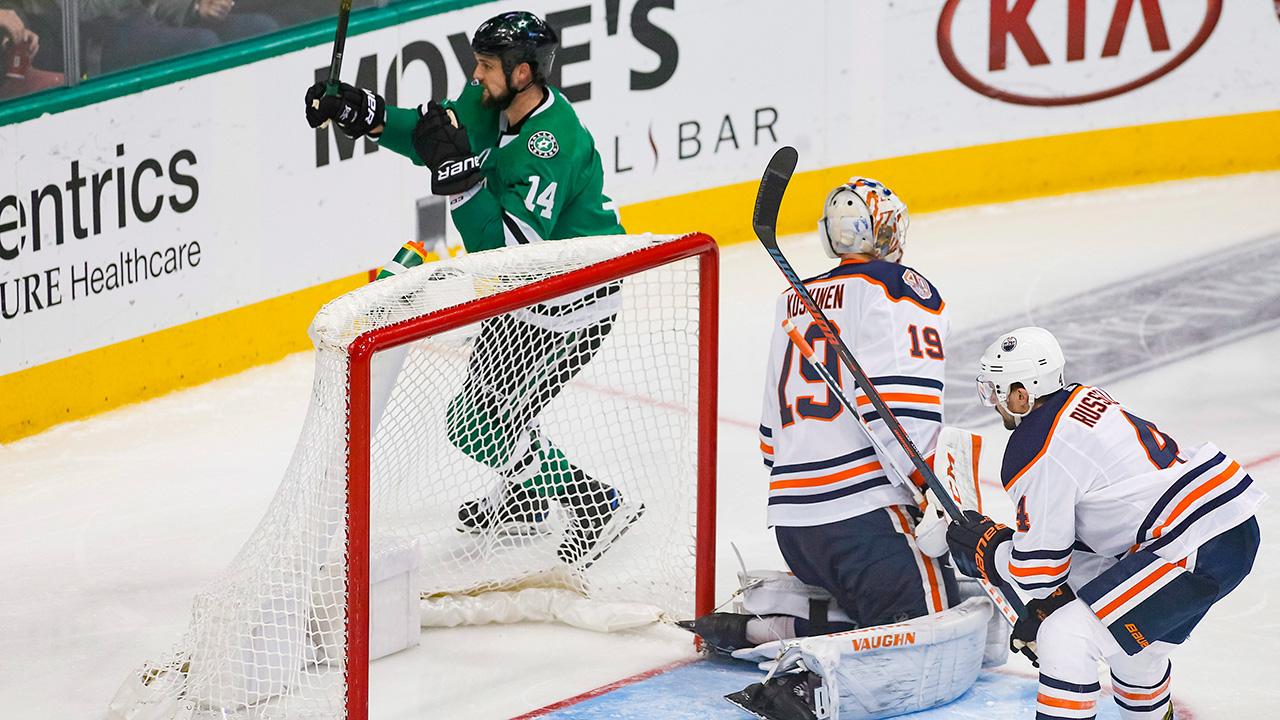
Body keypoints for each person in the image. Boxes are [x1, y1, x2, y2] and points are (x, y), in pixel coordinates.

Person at [303, 10, 635, 565]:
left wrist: (458, 181)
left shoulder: (552, 142)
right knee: (485, 418)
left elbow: (514, 254)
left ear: (524, 72)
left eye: (486, 65)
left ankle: (598, 505)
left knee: (482, 426)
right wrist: (361, 112)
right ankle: (527, 498)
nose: (475, 75)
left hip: (573, 303)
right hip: (522, 299)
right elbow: (436, 133)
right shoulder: (489, 100)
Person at [687, 178, 958, 651]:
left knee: (881, 608)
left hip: (795, 525)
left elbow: (771, 436)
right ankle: (799, 653)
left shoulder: (792, 299)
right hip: (867, 517)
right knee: (938, 630)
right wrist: (931, 494)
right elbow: (902, 409)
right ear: (889, 230)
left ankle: (764, 627)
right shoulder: (899, 288)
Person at [946, 326, 1265, 719]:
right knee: (1133, 653)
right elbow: (1099, 533)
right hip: (1216, 527)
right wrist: (1059, 598)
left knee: (1066, 638)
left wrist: (988, 551)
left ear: (1022, 394)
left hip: (1189, 544)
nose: (994, 403)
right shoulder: (1081, 398)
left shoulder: (1037, 444)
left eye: (997, 391)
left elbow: (1038, 570)